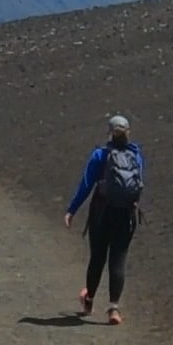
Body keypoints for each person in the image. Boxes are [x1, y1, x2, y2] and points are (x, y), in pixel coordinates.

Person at [62, 114, 144, 325]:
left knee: (97, 258)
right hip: (126, 215)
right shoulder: (136, 155)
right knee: (118, 259)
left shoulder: (100, 155)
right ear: (128, 133)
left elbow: (86, 184)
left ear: (109, 133)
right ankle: (114, 309)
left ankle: (88, 300)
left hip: (102, 213)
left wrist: (72, 210)